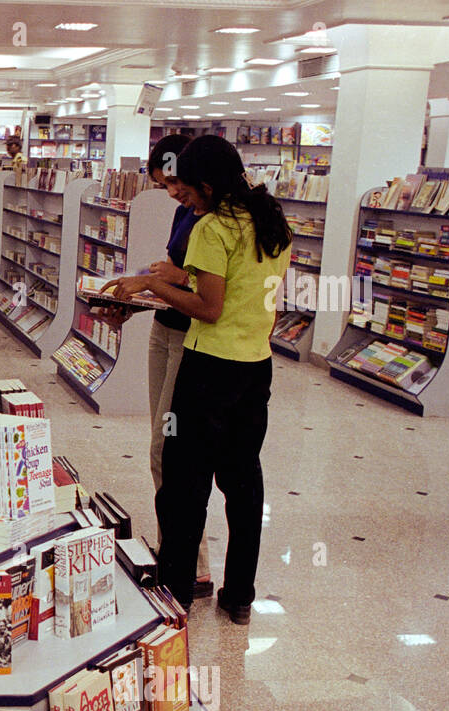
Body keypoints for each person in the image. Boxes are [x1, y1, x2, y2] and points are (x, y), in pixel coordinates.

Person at [103, 135, 291, 624]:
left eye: (185, 187)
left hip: (208, 368)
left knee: (184, 484)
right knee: (243, 482)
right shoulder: (270, 220)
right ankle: (239, 595)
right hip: (255, 366)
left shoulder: (214, 227)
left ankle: (176, 595)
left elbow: (209, 307)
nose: (180, 196)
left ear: (206, 185)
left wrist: (151, 283)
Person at [142, 134, 213, 601]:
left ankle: (190, 565)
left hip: (191, 336)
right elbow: (174, 267)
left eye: (175, 184)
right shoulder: (184, 209)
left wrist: (171, 277)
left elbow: (213, 288)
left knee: (168, 452)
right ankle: (180, 555)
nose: (171, 193)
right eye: (164, 186)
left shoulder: (216, 218)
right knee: (160, 446)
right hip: (164, 328)